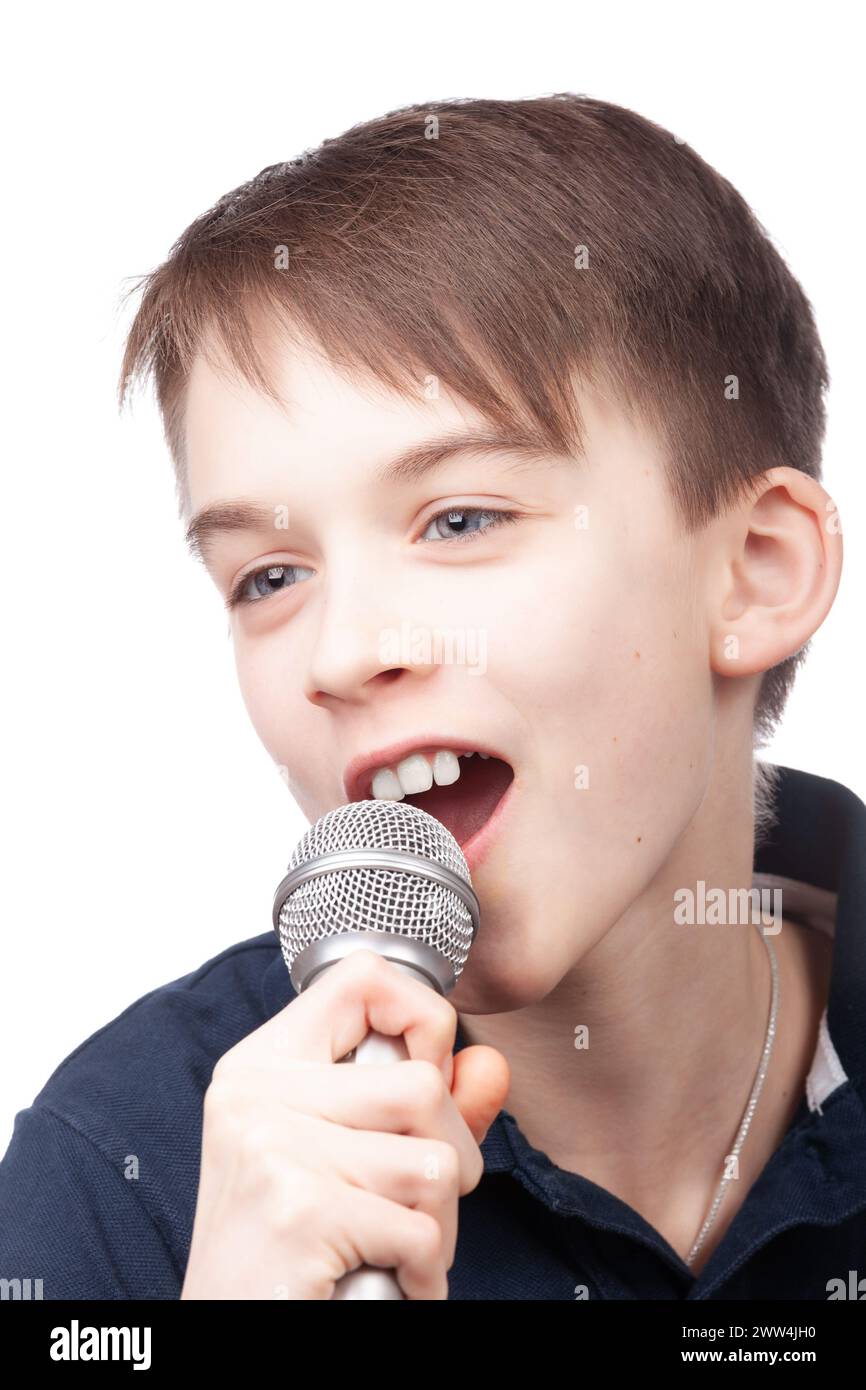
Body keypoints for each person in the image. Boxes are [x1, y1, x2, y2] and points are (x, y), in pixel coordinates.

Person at [1, 94, 862, 1301]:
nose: (341, 654)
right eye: (270, 576)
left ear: (755, 571)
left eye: (459, 518)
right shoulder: (123, 1178)